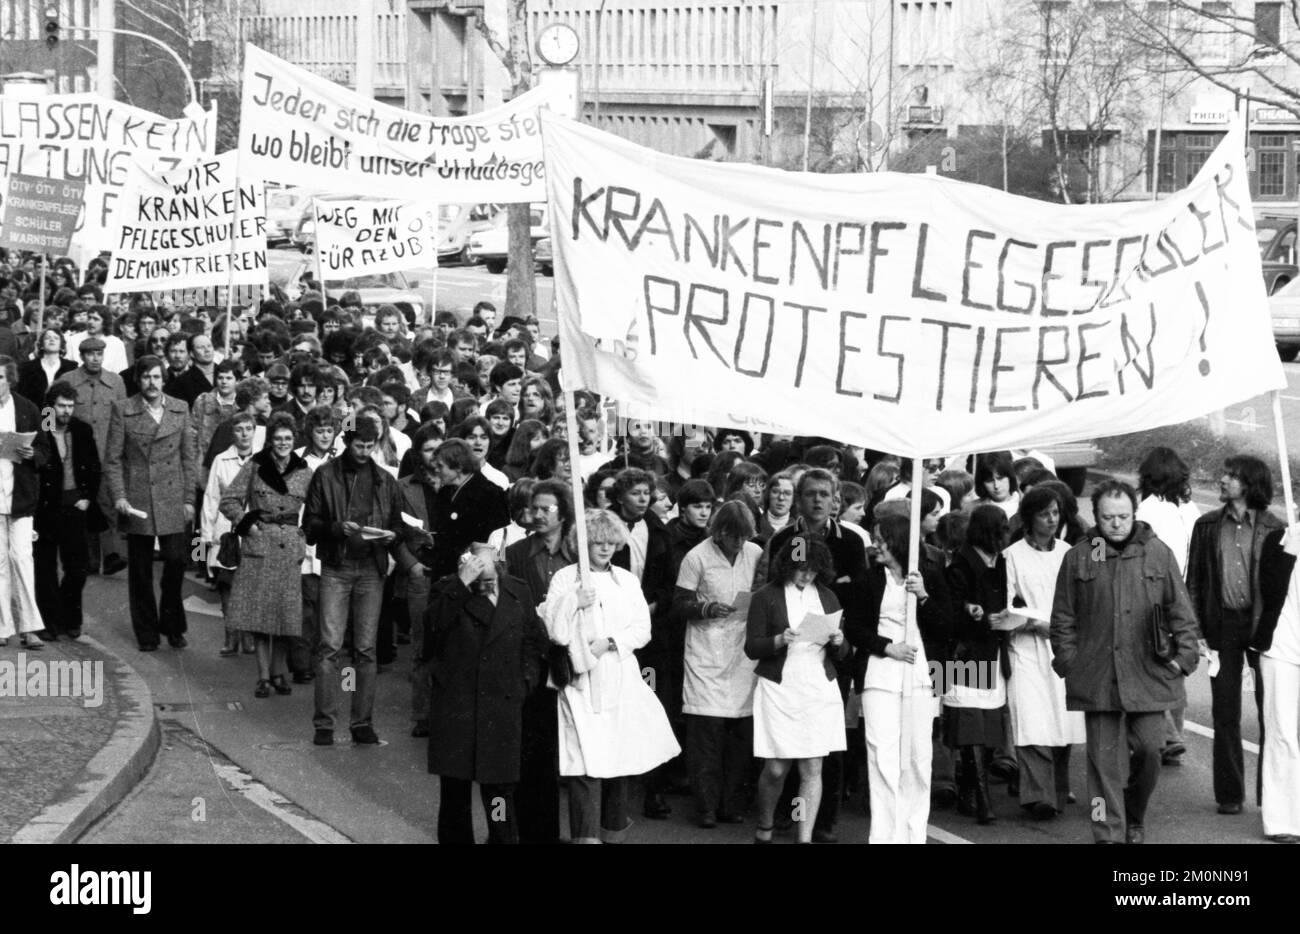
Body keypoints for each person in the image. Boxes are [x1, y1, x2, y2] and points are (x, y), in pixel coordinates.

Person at [1051, 480, 1199, 844]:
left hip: (1148, 671)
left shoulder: (1157, 553)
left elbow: (1180, 610)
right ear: (1095, 516)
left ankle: (1133, 813)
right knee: (1101, 768)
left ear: (1134, 513)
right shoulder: (1084, 554)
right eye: (1107, 517)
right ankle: (1107, 832)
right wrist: (1070, 662)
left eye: (1123, 516)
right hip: (1098, 674)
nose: (1116, 524)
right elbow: (1063, 617)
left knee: (1151, 750)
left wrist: (1183, 659)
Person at [542, 508, 681, 843]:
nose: (604, 548)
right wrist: (574, 601)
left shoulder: (628, 580)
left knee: (619, 758)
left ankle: (613, 833)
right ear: (582, 543)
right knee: (584, 762)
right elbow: (554, 630)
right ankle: (585, 837)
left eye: (609, 542)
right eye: (596, 542)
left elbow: (642, 629)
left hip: (619, 674)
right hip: (580, 679)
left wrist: (611, 642)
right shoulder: (565, 578)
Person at [764, 467, 866, 843]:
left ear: (836, 498)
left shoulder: (851, 541)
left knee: (826, 745)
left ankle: (822, 822)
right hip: (789, 656)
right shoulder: (786, 537)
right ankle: (791, 814)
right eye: (811, 494)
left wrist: (843, 642)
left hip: (833, 653)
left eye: (825, 493)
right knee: (789, 745)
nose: (818, 500)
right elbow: (780, 587)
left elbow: (857, 597)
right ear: (800, 498)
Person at [424, 542, 548, 844]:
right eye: (477, 580)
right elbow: (431, 630)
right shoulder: (447, 590)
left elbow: (534, 640)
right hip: (458, 703)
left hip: (502, 703)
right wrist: (461, 584)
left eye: (490, 580)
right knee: (455, 791)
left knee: (499, 790)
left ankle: (501, 839)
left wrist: (525, 681)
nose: (484, 586)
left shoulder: (518, 591)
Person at [1186, 455, 1283, 816]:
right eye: (1224, 473)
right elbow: (1193, 581)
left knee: (1270, 711)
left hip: (1263, 627)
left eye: (1231, 476)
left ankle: (1273, 796)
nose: (1222, 479)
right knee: (1224, 711)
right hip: (1222, 625)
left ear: (1250, 484)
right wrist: (1195, 629)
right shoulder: (1207, 525)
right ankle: (1229, 794)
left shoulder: (1275, 527)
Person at [302, 417, 404, 746]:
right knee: (329, 646)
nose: (363, 451)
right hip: (336, 565)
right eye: (358, 445)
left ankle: (361, 722)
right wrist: (336, 528)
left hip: (371, 568)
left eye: (369, 446)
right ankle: (325, 724)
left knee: (366, 648)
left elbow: (399, 524)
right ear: (347, 442)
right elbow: (310, 524)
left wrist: (391, 535)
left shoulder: (385, 480)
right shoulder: (326, 474)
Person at [852, 513, 952, 843]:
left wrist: (923, 596)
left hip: (922, 675)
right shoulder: (867, 579)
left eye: (881, 538)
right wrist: (886, 647)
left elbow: (947, 627)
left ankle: (913, 836)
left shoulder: (930, 576)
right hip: (880, 675)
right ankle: (884, 838)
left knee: (918, 759)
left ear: (898, 540)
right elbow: (854, 628)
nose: (875, 544)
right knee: (883, 757)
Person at [746, 534, 850, 843]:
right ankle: (764, 825)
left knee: (812, 767)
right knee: (776, 768)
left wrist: (840, 642)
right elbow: (752, 647)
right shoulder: (766, 595)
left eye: (813, 569)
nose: (806, 575)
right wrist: (779, 640)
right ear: (787, 565)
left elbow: (843, 654)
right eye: (800, 568)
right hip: (780, 687)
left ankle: (803, 837)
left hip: (818, 686)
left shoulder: (828, 596)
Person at [674, 501, 763, 827]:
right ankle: (706, 807)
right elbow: (679, 603)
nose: (740, 544)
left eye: (744, 537)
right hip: (706, 651)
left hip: (741, 651)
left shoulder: (754, 553)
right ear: (720, 531)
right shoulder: (696, 557)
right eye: (734, 537)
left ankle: (729, 803)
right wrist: (707, 608)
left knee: (740, 735)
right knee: (706, 737)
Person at [104, 355, 197, 652]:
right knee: (141, 570)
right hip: (138, 498)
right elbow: (113, 459)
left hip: (172, 498)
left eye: (157, 377)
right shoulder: (123, 409)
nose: (152, 383)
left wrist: (189, 499)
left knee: (175, 562)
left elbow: (188, 459)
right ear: (138, 380)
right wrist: (119, 495)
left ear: (164, 380)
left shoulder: (180, 409)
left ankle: (171, 624)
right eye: (146, 377)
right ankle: (146, 632)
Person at [1003, 486, 1085, 819]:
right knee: (1032, 717)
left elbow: (1082, 600)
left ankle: (1058, 786)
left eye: (1056, 513)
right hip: (1027, 646)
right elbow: (1006, 605)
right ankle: (1038, 795)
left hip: (1064, 646)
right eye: (1044, 514)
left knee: (1064, 719)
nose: (1052, 520)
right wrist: (1033, 624)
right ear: (1028, 517)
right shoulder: (1012, 556)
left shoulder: (1069, 552)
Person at [505, 479, 577, 844]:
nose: (535, 515)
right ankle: (527, 833)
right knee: (532, 751)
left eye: (544, 509)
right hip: (532, 661)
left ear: (563, 512)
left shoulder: (578, 554)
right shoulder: (517, 553)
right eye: (532, 508)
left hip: (571, 662)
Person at [220, 413, 311, 697]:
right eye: (277, 438)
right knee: (259, 617)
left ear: (294, 441)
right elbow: (229, 501)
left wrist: (303, 535)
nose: (283, 443)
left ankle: (278, 673)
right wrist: (249, 525)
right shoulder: (255, 466)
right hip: (260, 547)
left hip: (289, 550)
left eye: (288, 438)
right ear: (270, 440)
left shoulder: (305, 471)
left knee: (284, 617)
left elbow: (317, 508)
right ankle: (262, 677)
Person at [943, 503, 1011, 825]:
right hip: (965, 652)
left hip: (989, 650)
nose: (1005, 536)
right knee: (969, 726)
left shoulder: (999, 562)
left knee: (986, 724)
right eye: (1001, 530)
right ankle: (981, 798)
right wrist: (981, 616)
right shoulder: (960, 565)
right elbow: (952, 613)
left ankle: (971, 792)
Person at [1136, 446, 1202, 767]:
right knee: (1176, 663)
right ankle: (1171, 736)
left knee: (1157, 662)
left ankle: (1168, 736)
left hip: (1157, 595)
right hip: (1186, 596)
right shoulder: (1191, 509)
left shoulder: (1147, 509)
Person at [34, 381, 104, 642]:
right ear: (50, 407)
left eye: (70, 406)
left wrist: (87, 498)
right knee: (46, 569)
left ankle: (69, 617)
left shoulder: (81, 429)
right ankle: (49, 623)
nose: (66, 411)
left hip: (76, 505)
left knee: (78, 568)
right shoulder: (41, 428)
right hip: (46, 508)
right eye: (61, 405)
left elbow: (95, 467)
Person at [65, 335, 127, 576]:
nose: (95, 358)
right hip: (76, 458)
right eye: (90, 354)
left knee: (108, 504)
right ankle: (89, 559)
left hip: (108, 454)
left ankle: (112, 555)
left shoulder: (116, 382)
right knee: (83, 507)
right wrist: (50, 437)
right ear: (82, 356)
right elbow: (48, 409)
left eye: (99, 353)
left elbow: (125, 417)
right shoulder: (68, 380)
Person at [1255, 517, 1300, 843]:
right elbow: (1269, 592)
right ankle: (1282, 820)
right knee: (1282, 733)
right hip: (1281, 648)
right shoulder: (1279, 540)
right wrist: (1288, 554)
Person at [0, 356, 49, 650]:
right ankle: (2, 626)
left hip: (20, 496)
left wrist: (34, 456)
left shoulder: (29, 409)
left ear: (10, 379)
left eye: (0, 378)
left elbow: (45, 449)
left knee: (21, 558)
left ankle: (30, 627)